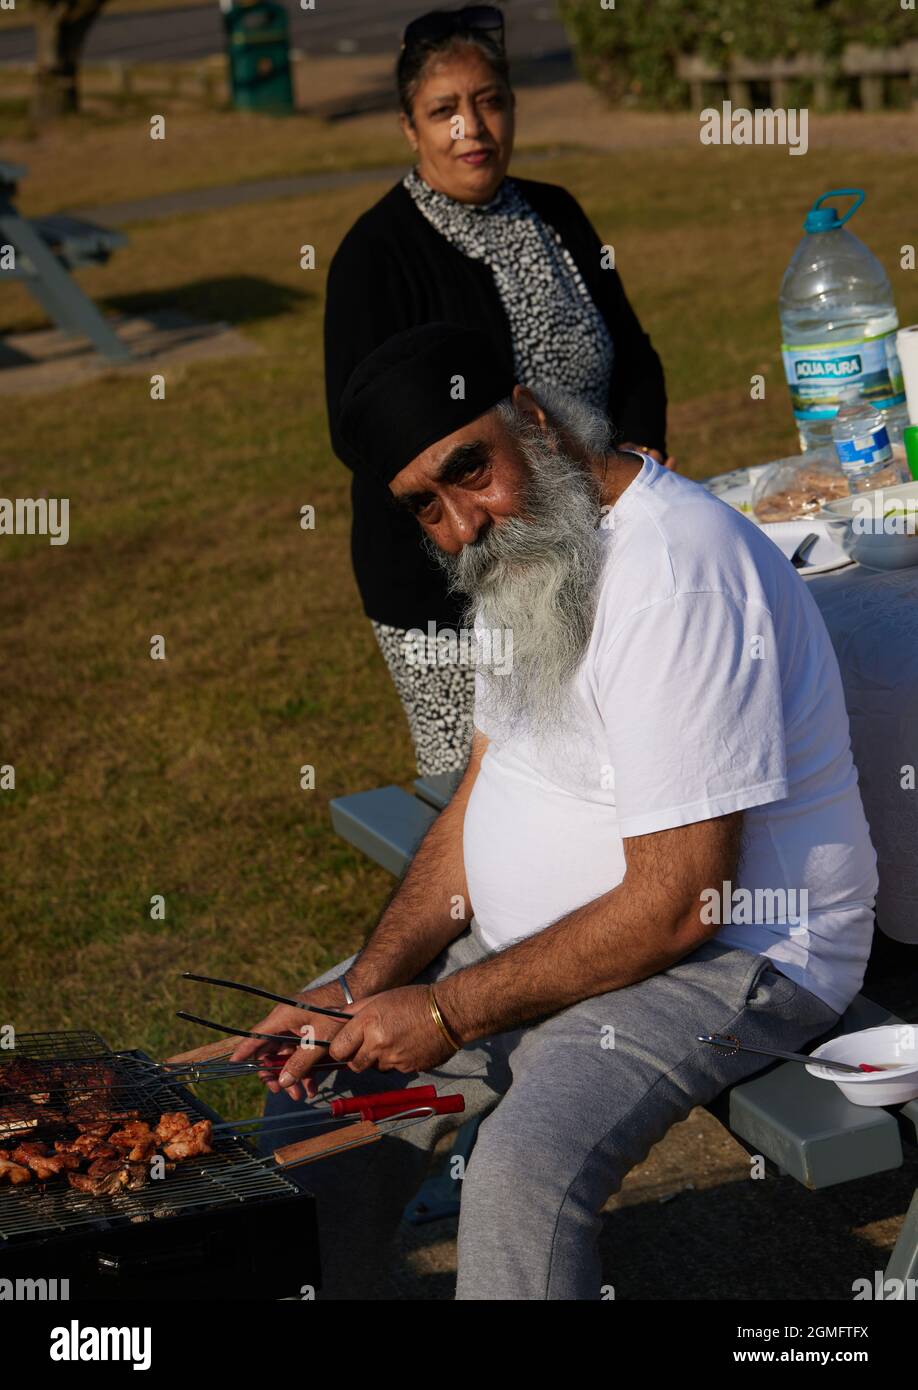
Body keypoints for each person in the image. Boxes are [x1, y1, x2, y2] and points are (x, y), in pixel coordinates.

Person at [233, 324, 878, 1300]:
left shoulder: (678, 574)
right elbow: (478, 801)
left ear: (531, 417)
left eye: (470, 470)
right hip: (557, 939)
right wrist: (365, 986)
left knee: (519, 1176)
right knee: (314, 1106)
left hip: (733, 955)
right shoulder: (529, 551)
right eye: (425, 508)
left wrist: (447, 1010)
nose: (462, 523)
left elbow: (679, 906)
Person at [324, 3, 670, 777]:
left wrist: (638, 458)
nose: (471, 128)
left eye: (489, 102)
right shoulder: (375, 256)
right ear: (410, 130)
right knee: (487, 793)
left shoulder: (556, 212)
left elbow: (637, 355)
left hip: (592, 543)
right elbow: (359, 437)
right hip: (454, 585)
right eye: (443, 110)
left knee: (610, 762)